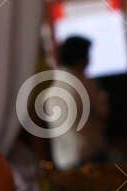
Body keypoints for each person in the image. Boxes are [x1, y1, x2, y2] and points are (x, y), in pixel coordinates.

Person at [48, 35, 108, 170]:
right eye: (88, 55)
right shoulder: (84, 83)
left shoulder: (54, 84)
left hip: (63, 160)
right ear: (81, 57)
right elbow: (103, 113)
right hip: (89, 156)